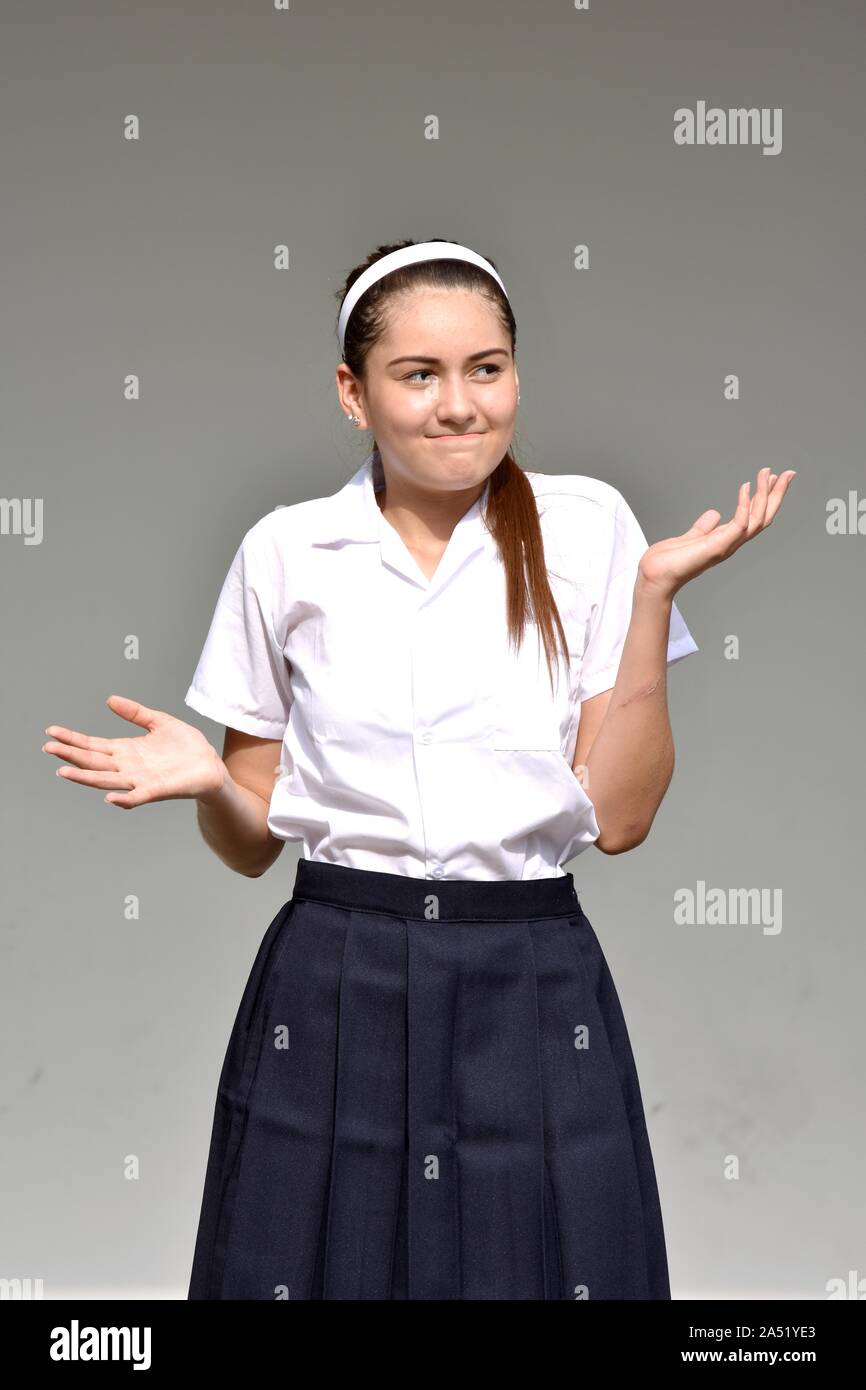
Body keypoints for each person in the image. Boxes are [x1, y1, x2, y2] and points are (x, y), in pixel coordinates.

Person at [42, 238, 796, 1300]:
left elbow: (619, 819)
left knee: (547, 1263)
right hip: (338, 968)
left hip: (529, 970)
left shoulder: (590, 529)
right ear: (353, 394)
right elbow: (251, 846)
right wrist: (214, 785)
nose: (458, 405)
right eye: (418, 374)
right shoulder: (287, 551)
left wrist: (651, 599)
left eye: (486, 368)